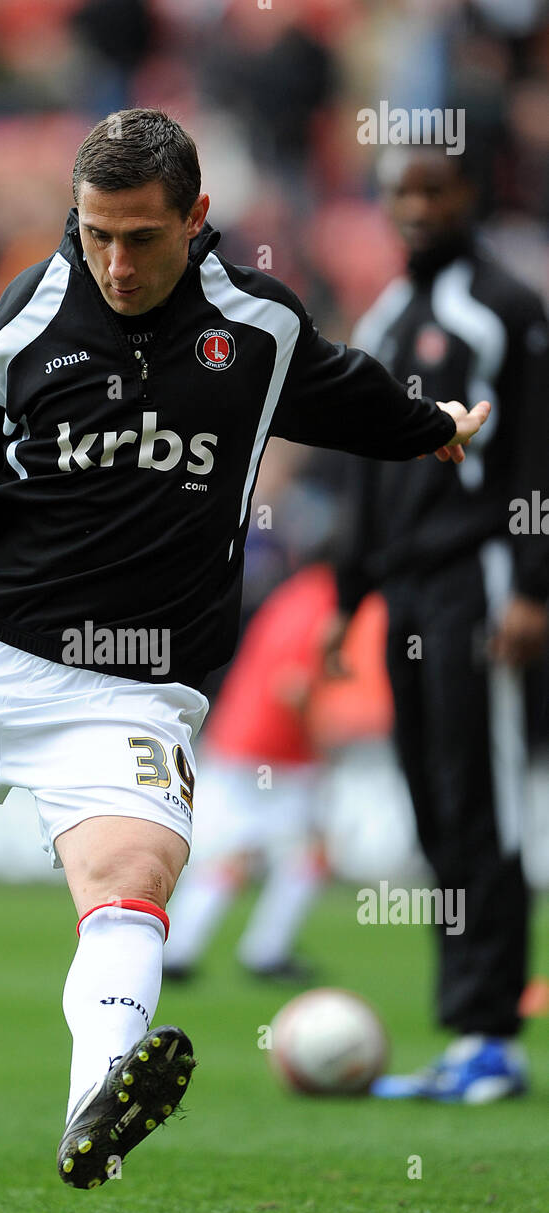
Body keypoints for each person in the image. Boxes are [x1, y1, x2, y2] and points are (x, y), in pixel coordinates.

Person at [0, 109, 489, 1185]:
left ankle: (92, 1109)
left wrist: (430, 424)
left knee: (132, 872)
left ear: (196, 219)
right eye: (95, 232)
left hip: (132, 687)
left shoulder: (257, 328)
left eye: (141, 238)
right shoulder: (28, 317)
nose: (114, 261)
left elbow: (343, 393)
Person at [324, 146, 549, 1102]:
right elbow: (370, 470)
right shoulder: (386, 313)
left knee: (482, 803)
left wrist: (536, 584)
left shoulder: (507, 309)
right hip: (407, 595)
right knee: (431, 804)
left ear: (472, 192)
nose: (414, 207)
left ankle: (493, 1034)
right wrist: (346, 596)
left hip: (484, 581)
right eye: (399, 191)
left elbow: (539, 450)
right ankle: (467, 1032)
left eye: (433, 189)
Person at [162, 564, 392, 982]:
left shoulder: (294, 596)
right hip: (276, 750)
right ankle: (261, 950)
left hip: (241, 737)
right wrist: (323, 742)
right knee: (301, 852)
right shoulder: (328, 606)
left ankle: (182, 950)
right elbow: (294, 686)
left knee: (242, 853)